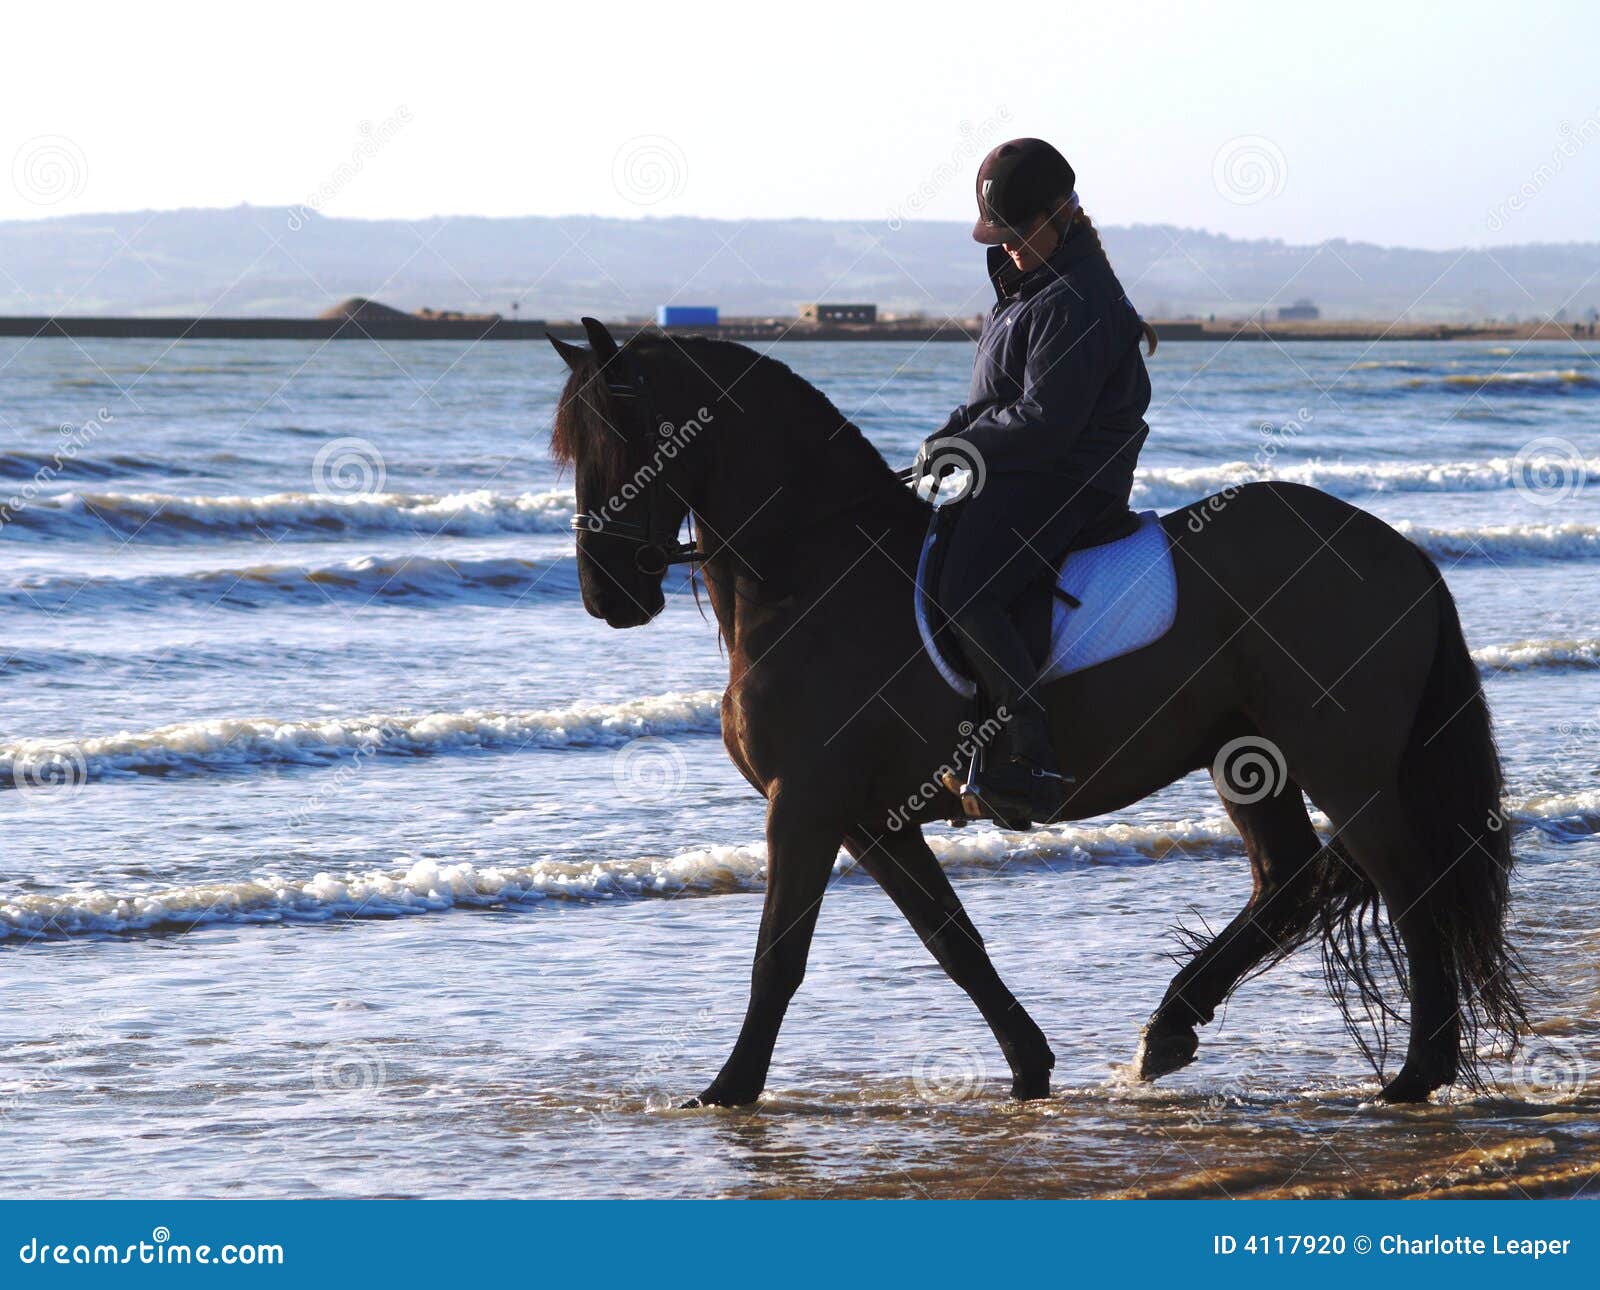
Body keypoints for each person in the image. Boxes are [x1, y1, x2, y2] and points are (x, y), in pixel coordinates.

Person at [917, 137, 1157, 824]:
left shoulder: (1077, 298)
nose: (1011, 247)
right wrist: (949, 436)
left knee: (967, 590)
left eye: (1021, 233)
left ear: (1061, 215)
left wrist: (966, 445)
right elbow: (995, 400)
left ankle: (1031, 750)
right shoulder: (1025, 288)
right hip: (1025, 470)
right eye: (1002, 234)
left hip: (1071, 481)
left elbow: (1046, 421)